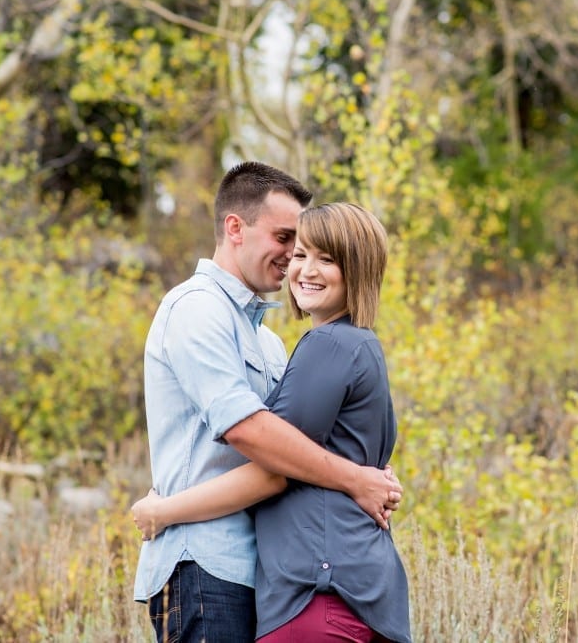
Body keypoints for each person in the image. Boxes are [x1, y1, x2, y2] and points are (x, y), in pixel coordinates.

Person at [133, 163, 403, 643]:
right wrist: (354, 477)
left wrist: (360, 470)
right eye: (287, 240)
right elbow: (251, 434)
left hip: (267, 575)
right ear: (235, 228)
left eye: (310, 249)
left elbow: (297, 449)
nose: (293, 259)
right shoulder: (197, 309)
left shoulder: (271, 342)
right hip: (205, 565)